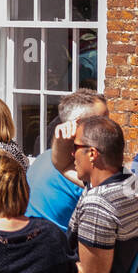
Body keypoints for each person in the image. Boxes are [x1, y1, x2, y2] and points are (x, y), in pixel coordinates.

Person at [54, 113, 138, 273]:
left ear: (92, 154)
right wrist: (59, 139)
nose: (72, 154)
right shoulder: (127, 181)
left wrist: (45, 262)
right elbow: (61, 164)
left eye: (75, 148)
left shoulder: (99, 204)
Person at [26, 90, 109, 231]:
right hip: (60, 248)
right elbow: (116, 226)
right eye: (102, 122)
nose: (109, 128)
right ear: (76, 126)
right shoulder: (84, 172)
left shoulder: (43, 157)